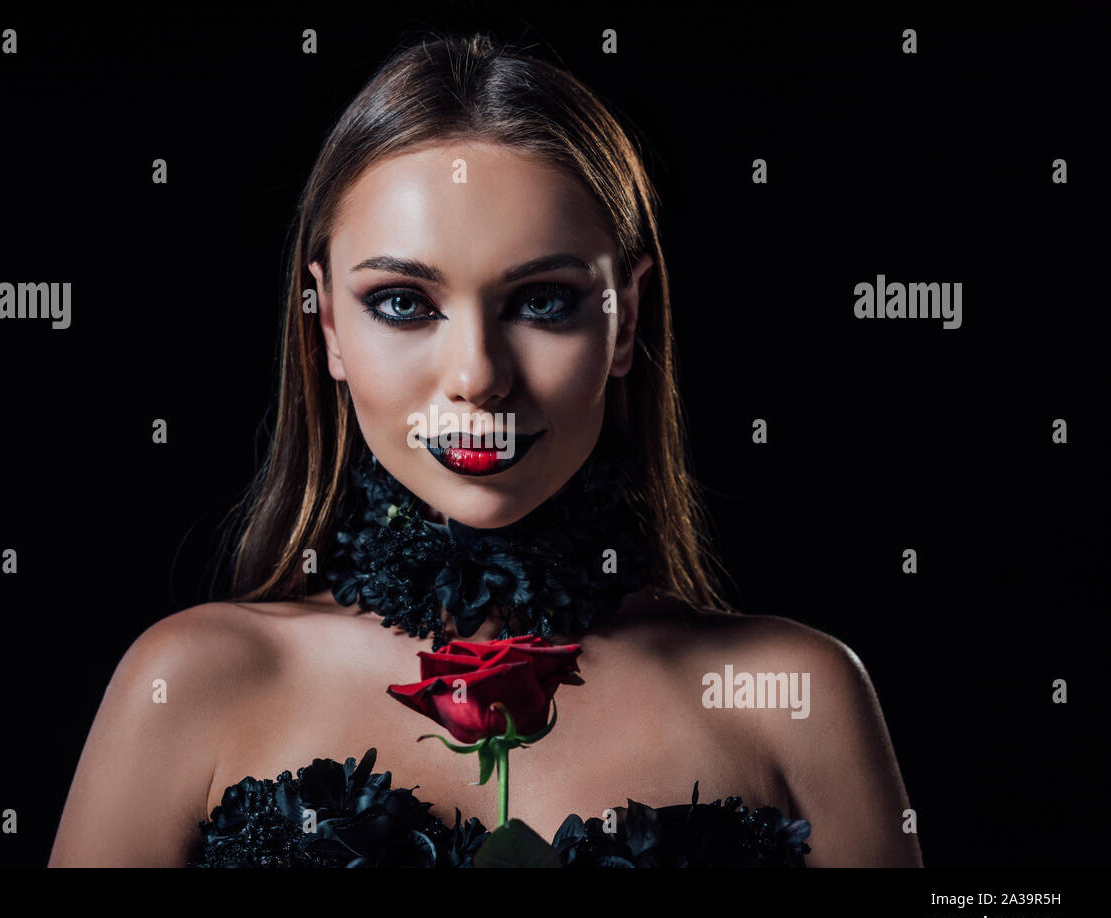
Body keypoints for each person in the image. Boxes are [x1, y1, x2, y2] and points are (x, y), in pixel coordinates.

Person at [49, 31, 921, 868]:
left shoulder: (798, 698)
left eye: (542, 302)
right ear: (326, 329)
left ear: (627, 319)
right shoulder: (189, 683)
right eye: (402, 302)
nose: (477, 375)